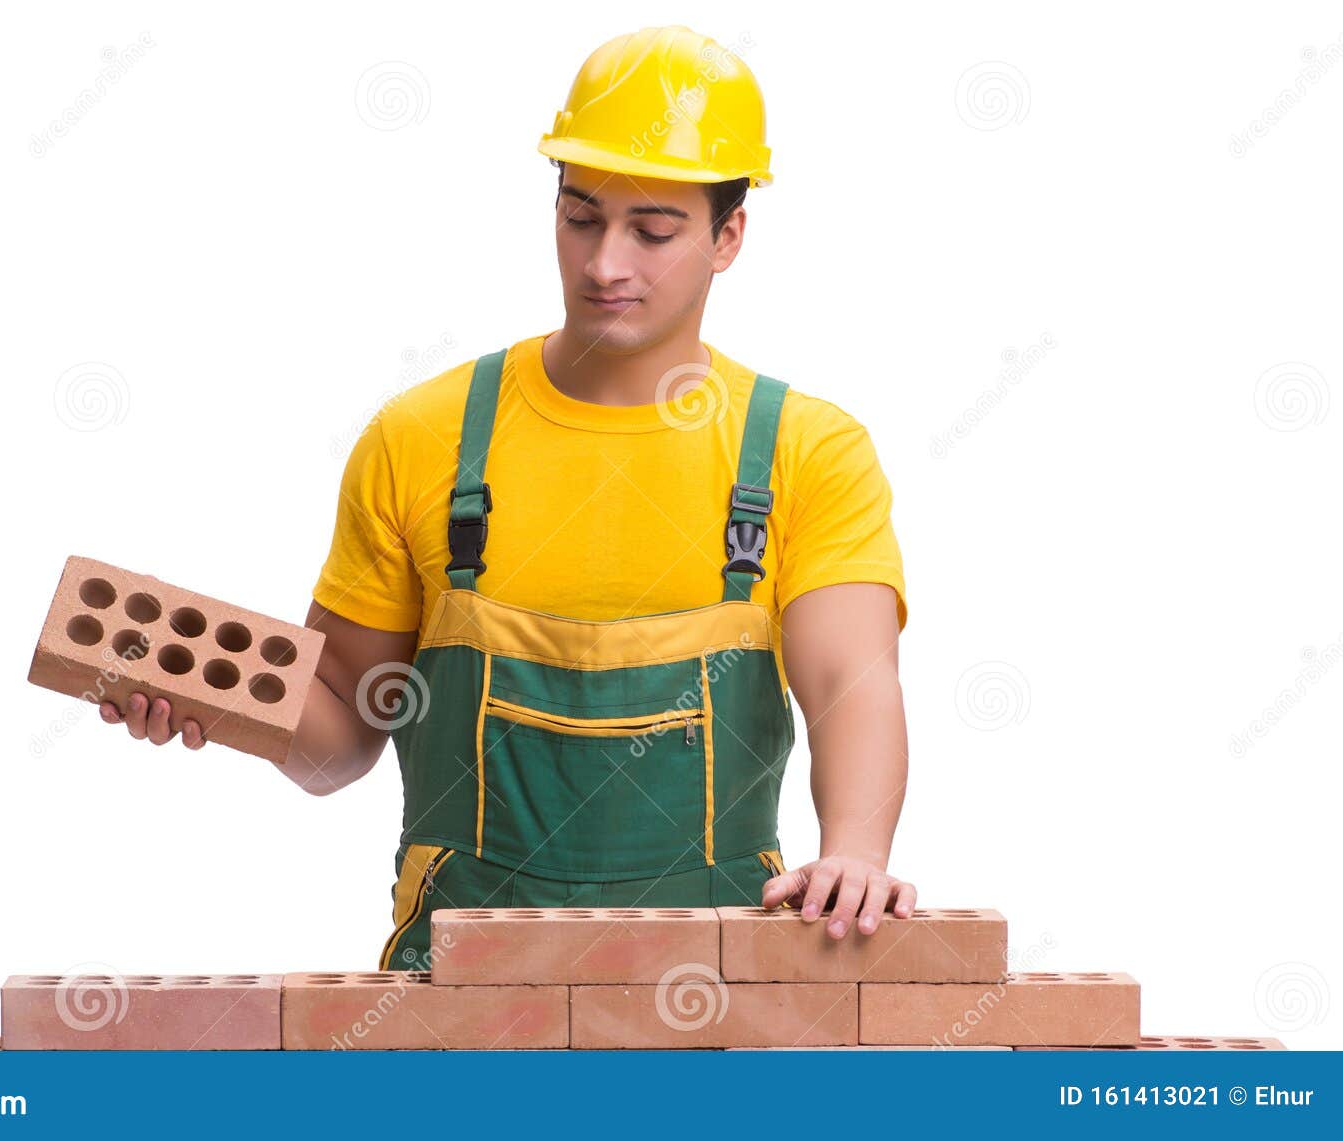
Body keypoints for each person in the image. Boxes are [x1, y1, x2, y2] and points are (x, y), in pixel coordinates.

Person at [100, 24, 917, 971]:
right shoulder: (424, 436)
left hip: (719, 994)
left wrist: (856, 848)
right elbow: (342, 739)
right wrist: (211, 693)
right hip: (453, 1004)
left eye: (653, 232)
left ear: (727, 235)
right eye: (581, 217)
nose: (606, 264)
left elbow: (850, 682)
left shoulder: (804, 452)